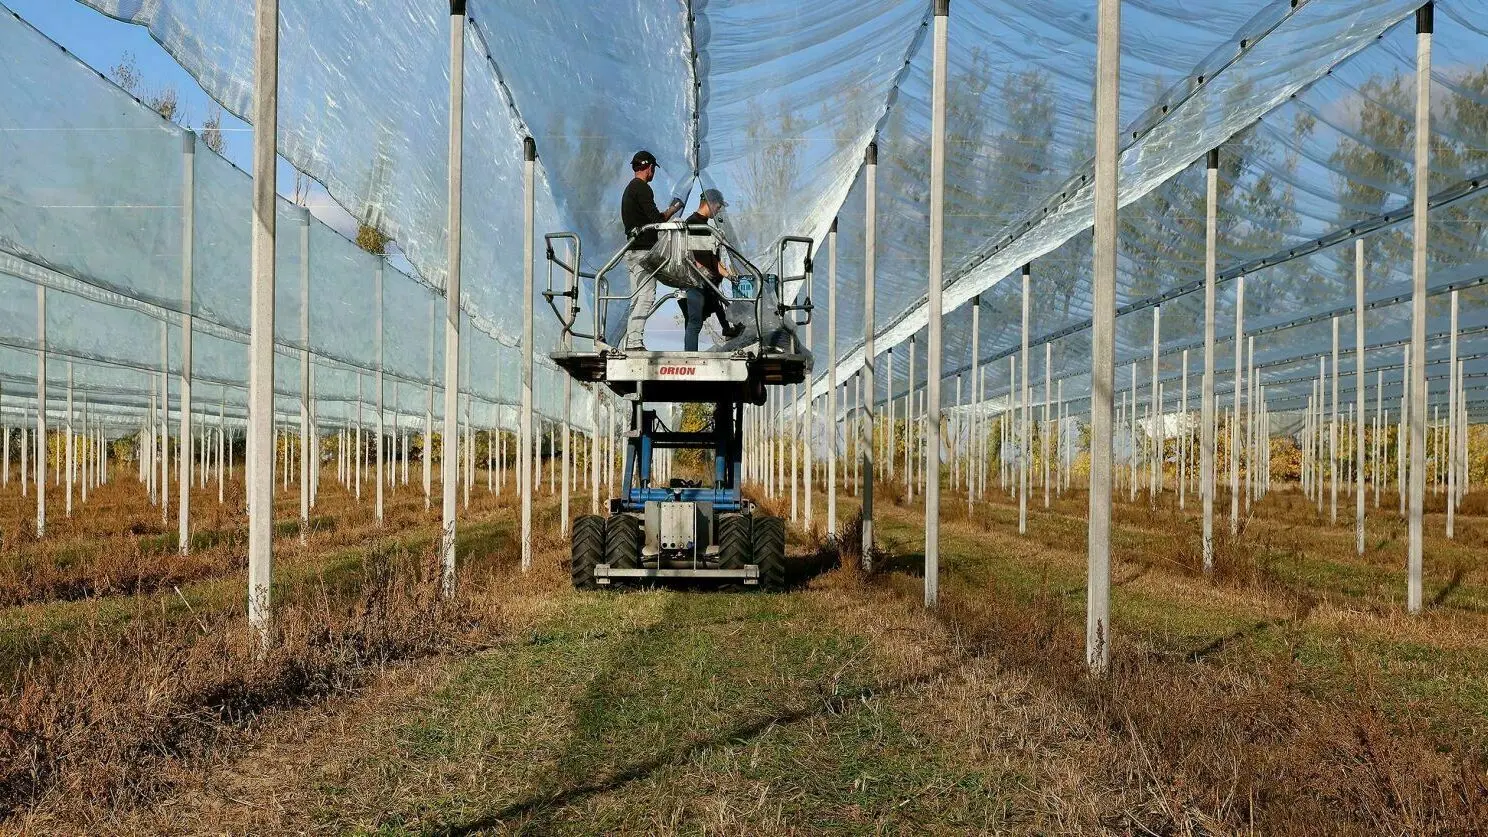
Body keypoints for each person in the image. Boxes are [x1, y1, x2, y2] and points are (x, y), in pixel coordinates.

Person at [616, 150, 684, 350]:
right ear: (650, 168)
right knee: (646, 296)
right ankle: (634, 341)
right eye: (653, 169)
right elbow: (655, 219)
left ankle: (630, 340)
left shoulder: (630, 189)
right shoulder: (643, 189)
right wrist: (672, 211)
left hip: (633, 251)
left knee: (636, 298)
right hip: (643, 252)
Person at [679, 189, 744, 350]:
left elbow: (710, 256)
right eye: (718, 207)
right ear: (711, 203)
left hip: (703, 281)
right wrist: (727, 274)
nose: (718, 211)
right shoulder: (695, 223)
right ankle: (690, 358)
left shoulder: (702, 224)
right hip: (695, 281)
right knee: (694, 322)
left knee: (714, 302)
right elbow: (704, 258)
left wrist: (724, 272)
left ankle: (728, 328)